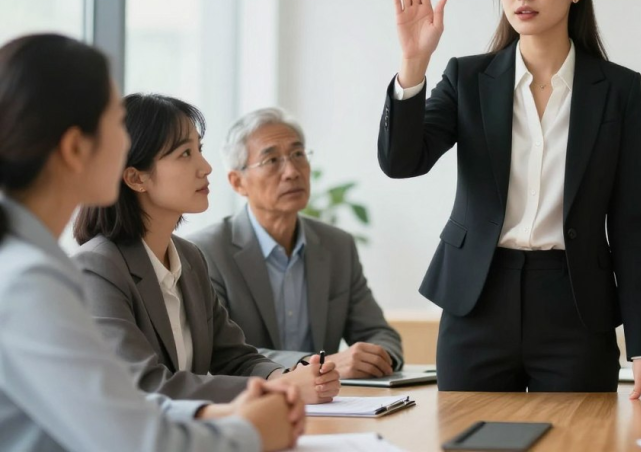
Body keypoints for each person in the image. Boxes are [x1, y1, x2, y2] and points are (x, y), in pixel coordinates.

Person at [377, 0, 641, 397]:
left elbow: (632, 226)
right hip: (477, 301)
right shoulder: (468, 78)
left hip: (575, 307)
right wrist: (412, 65)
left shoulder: (618, 91)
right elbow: (402, 162)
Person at [0, 33, 303, 451]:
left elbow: (117, 406)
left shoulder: (28, 265)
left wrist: (213, 412)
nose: (125, 142)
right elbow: (134, 439)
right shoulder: (28, 281)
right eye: (113, 123)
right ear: (74, 147)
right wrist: (251, 432)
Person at [73, 94, 340, 404]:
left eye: (198, 149)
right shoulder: (97, 268)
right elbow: (144, 385)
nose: (206, 167)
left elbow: (232, 355)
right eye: (185, 153)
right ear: (136, 177)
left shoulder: (189, 257)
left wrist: (284, 376)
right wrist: (277, 390)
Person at [189, 107, 403, 377]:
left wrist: (378, 357)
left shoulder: (338, 246)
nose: (291, 171)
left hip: (332, 404)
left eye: (298, 154)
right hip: (253, 403)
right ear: (237, 182)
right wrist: (322, 364)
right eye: (271, 160)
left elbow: (378, 332)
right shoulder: (205, 252)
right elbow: (223, 354)